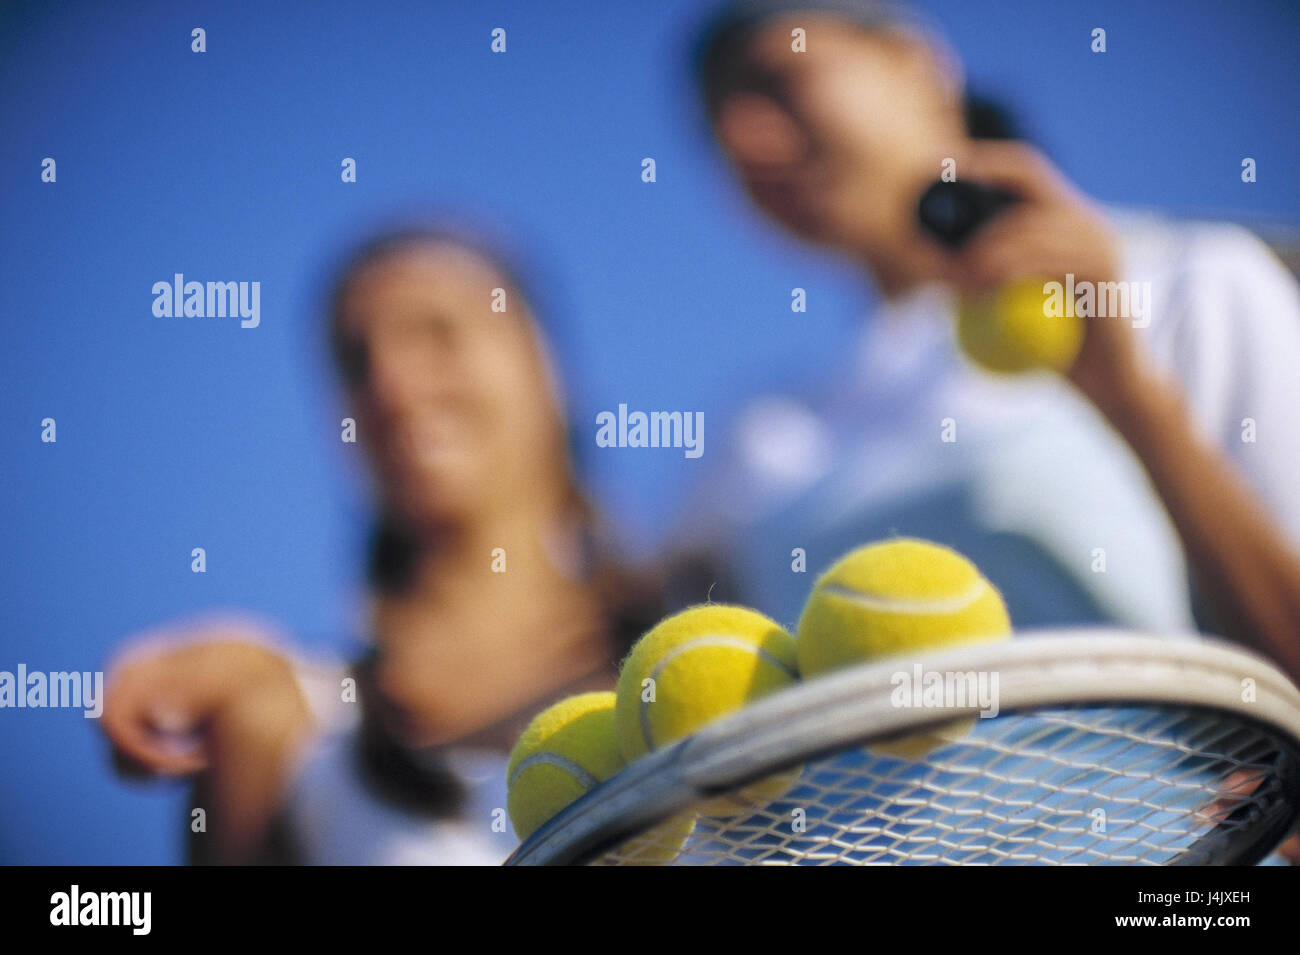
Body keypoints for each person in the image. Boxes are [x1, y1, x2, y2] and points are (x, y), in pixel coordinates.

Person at [679, 0, 1300, 689]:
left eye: (776, 81)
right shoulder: (755, 438)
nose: (744, 140)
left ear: (917, 64)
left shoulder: (1193, 281)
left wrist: (1130, 402)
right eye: (717, 126)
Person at [101, 226, 666, 864]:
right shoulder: (289, 735)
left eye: (437, 332)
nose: (393, 387)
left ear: (547, 366)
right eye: (357, 360)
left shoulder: (729, 607)